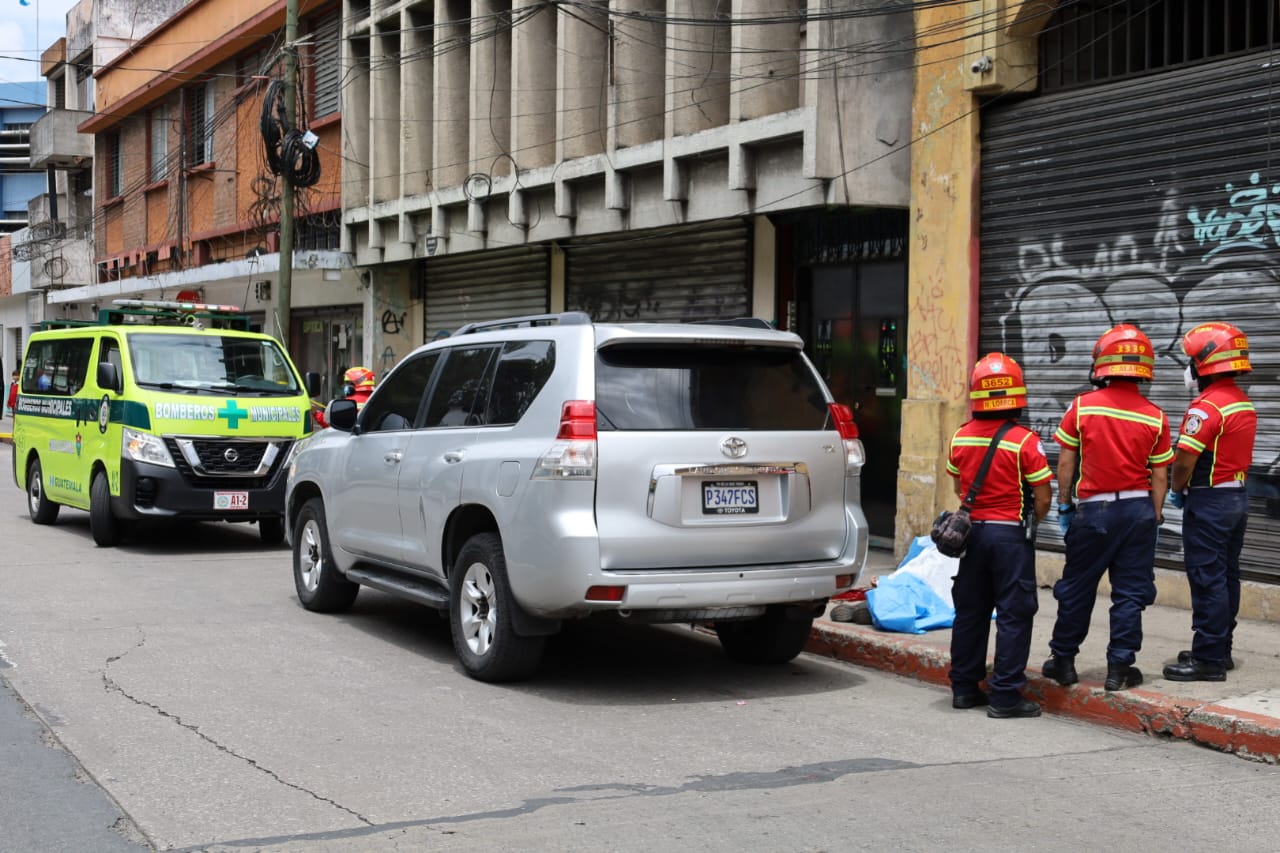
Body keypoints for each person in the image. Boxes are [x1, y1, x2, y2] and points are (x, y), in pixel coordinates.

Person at [1043, 324, 1173, 692]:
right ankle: (1119, 669)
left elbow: (1066, 462)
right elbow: (1159, 477)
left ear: (1102, 364)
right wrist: (1156, 514)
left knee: (1077, 588)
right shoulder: (1155, 415)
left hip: (1095, 511)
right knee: (1130, 594)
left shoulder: (1083, 406)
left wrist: (1065, 504)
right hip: (1138, 511)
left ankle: (1064, 662)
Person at [946, 353, 1053, 719]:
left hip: (971, 535)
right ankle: (1005, 696)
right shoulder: (1025, 442)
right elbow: (1042, 496)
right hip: (1009, 537)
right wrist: (1029, 523)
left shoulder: (960, 436)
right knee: (1014, 614)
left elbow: (958, 484)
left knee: (971, 613)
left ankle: (963, 688)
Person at [1162, 322, 1256, 682]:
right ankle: (1219, 648)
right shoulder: (1241, 402)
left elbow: (1185, 458)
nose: (1188, 368)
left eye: (1190, 361)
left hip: (1210, 501)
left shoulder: (1206, 407)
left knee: (1207, 579)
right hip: (1235, 498)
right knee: (1226, 576)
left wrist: (1176, 487)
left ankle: (1208, 660)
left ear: (1205, 364)